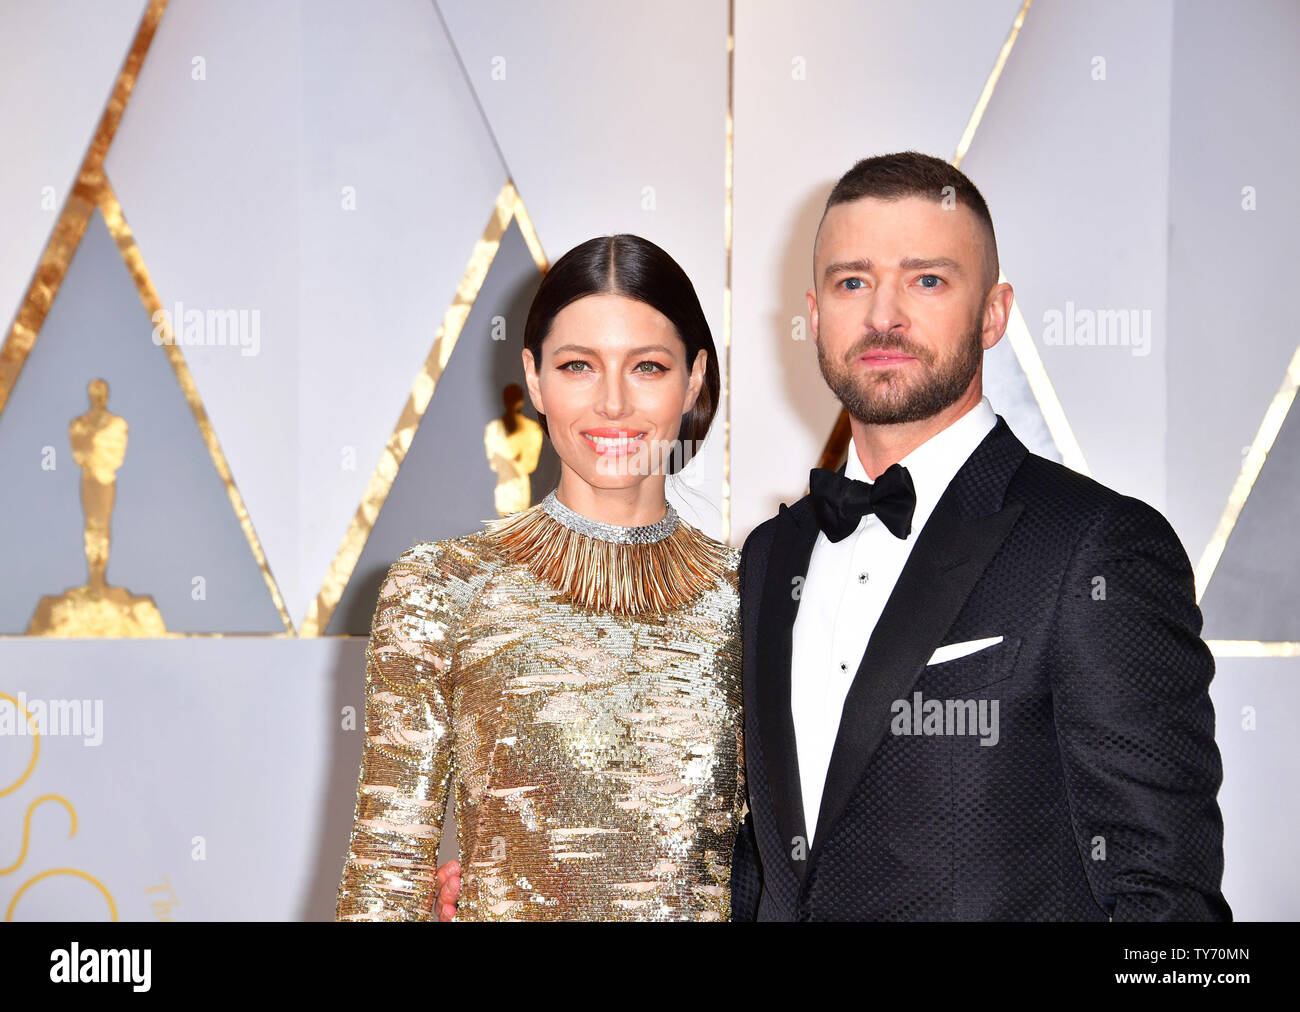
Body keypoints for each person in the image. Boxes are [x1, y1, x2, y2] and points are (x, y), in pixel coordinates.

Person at [729, 151, 1230, 920]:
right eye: (852, 281)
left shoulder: (1097, 546)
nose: (883, 315)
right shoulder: (771, 556)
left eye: (927, 280)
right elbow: (764, 871)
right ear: (814, 310)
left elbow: (1164, 902)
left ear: (993, 313)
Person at [335, 233, 744, 921]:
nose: (613, 404)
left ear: (694, 377)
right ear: (535, 376)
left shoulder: (754, 597)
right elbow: (387, 870)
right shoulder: (444, 589)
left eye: (647, 366)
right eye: (579, 365)